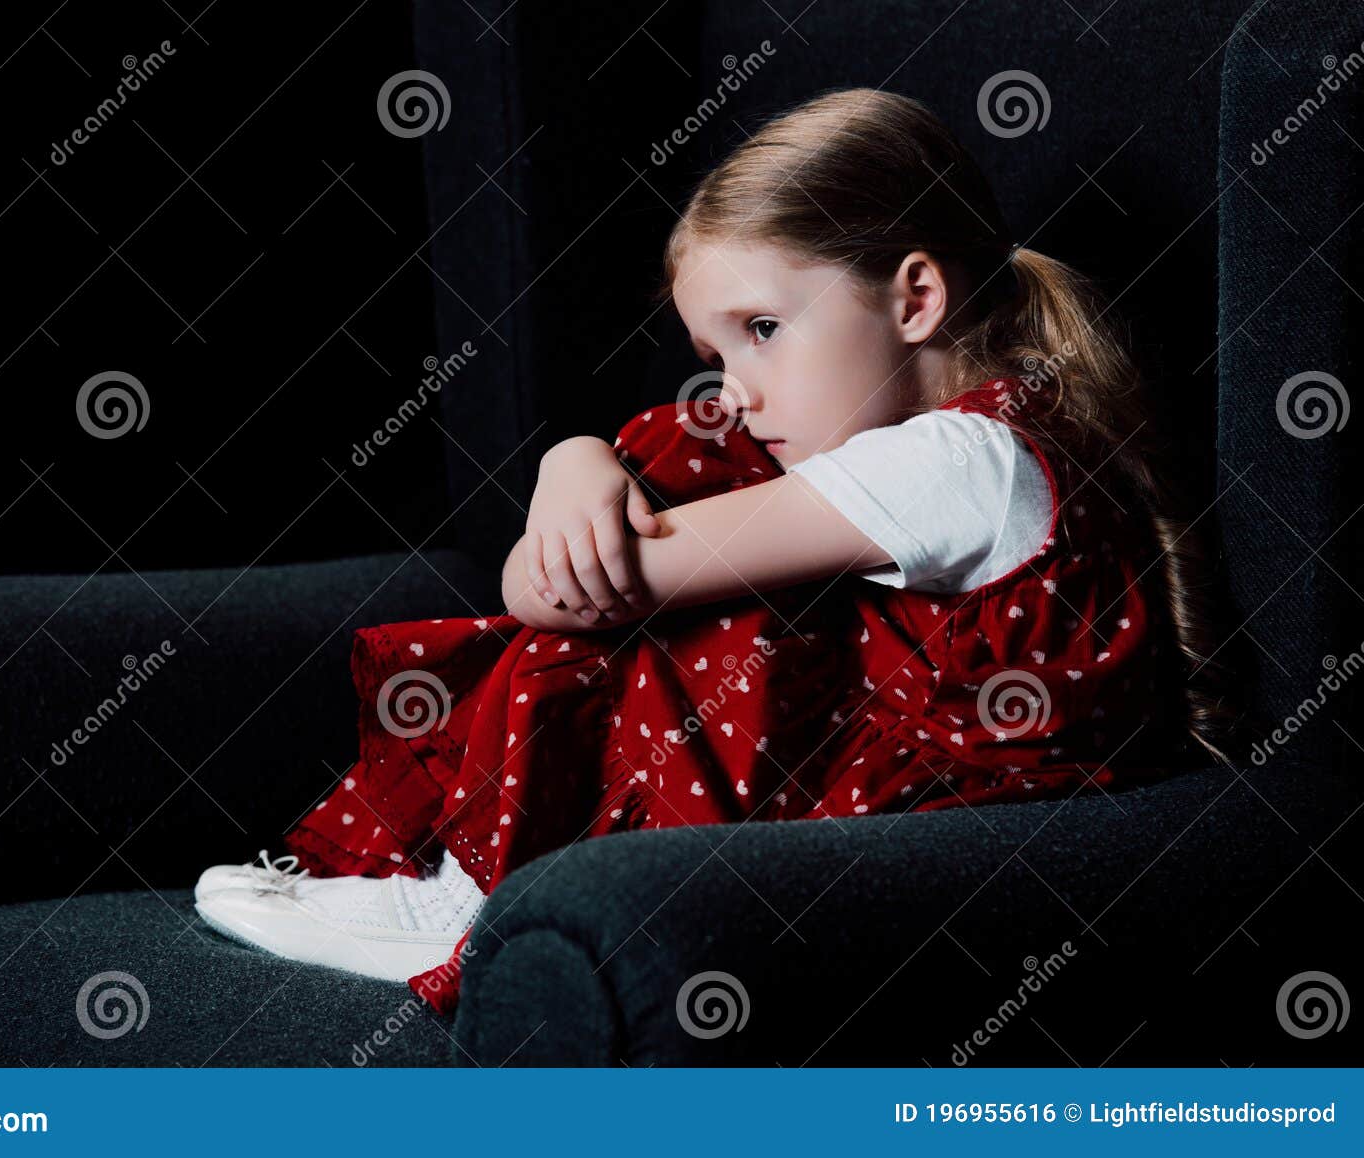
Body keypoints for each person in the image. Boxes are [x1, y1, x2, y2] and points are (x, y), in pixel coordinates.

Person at [192, 87, 1233, 1014]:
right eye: (714, 352)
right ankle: (467, 880)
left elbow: (562, 591)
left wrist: (579, 462)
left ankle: (469, 892)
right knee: (679, 466)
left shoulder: (957, 461)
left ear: (916, 299)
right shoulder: (996, 437)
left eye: (763, 328)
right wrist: (576, 462)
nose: (736, 387)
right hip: (904, 801)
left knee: (662, 515)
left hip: (945, 847)